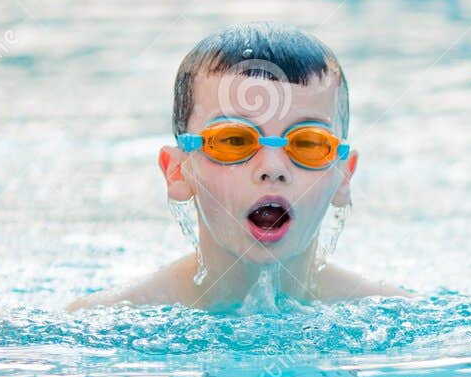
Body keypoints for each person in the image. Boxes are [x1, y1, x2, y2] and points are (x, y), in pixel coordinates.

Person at [69, 23, 406, 310]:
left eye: (307, 144)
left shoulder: (392, 312)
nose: (272, 168)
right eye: (234, 141)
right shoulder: (109, 319)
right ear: (176, 171)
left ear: (343, 176)